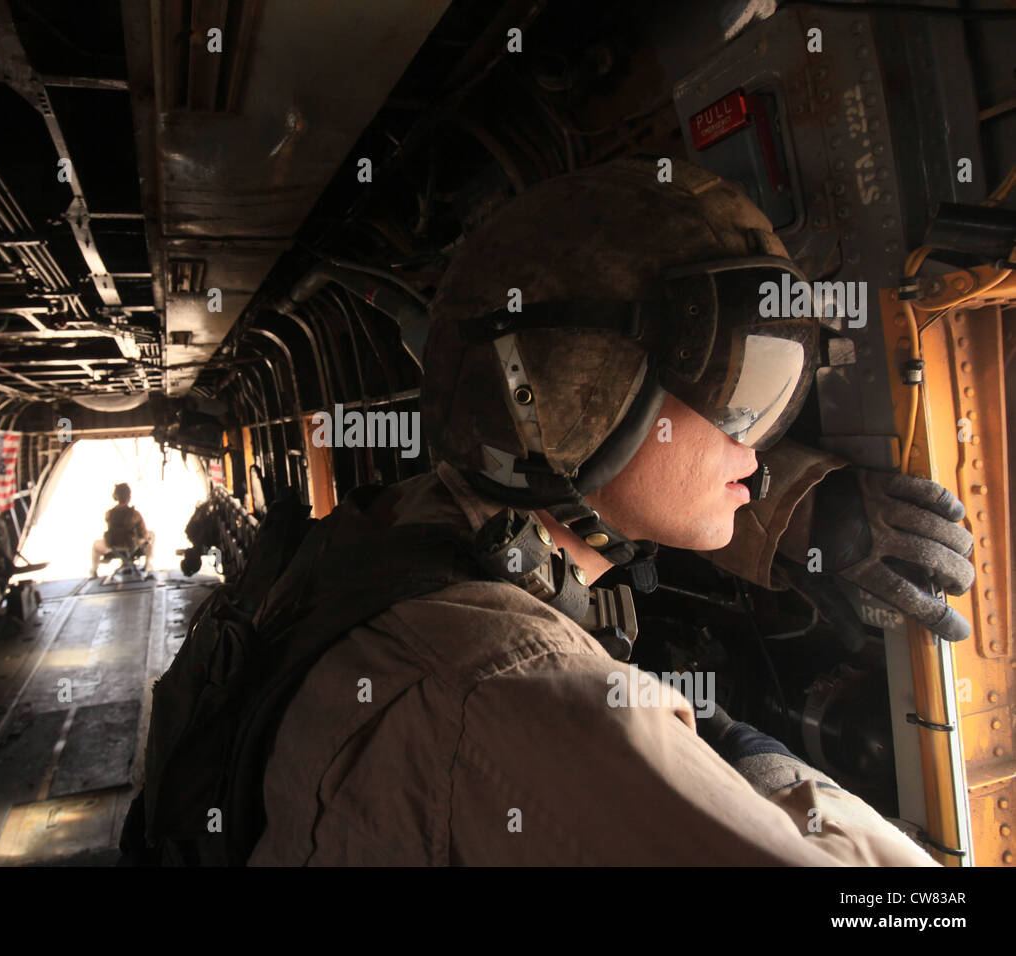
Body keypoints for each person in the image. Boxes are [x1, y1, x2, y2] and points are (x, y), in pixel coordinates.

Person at [245, 157, 974, 866]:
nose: (756, 439)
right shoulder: (514, 688)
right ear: (561, 399)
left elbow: (607, 471)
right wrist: (758, 766)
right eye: (737, 387)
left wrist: (791, 511)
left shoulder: (409, 532)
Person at [90, 482, 153, 577]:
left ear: (116, 497)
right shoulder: (134, 514)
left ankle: (93, 571)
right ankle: (148, 565)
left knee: (95, 545)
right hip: (131, 546)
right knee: (151, 535)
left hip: (113, 546)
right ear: (129, 496)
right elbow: (142, 533)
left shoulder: (109, 514)